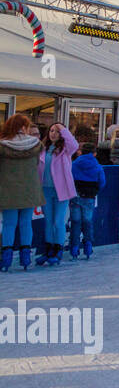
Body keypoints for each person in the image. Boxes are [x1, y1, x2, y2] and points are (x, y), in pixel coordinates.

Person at [1, 115, 44, 272]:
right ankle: (25, 257)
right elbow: (37, 164)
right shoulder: (35, 144)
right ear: (25, 127)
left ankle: (6, 259)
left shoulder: (3, 145)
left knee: (9, 224)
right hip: (29, 190)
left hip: (8, 190)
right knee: (26, 223)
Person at [35, 122, 77, 266]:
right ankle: (48, 249)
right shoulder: (42, 149)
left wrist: (63, 129)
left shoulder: (66, 149)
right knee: (48, 221)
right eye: (51, 130)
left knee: (58, 221)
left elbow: (74, 144)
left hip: (61, 190)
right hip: (45, 189)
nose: (53, 133)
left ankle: (58, 249)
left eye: (57, 131)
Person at [68, 143, 105, 260]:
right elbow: (102, 182)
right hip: (89, 197)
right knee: (87, 221)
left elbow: (69, 179)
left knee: (75, 221)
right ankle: (88, 245)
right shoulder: (97, 166)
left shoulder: (74, 164)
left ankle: (74, 247)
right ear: (94, 153)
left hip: (75, 196)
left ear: (80, 152)